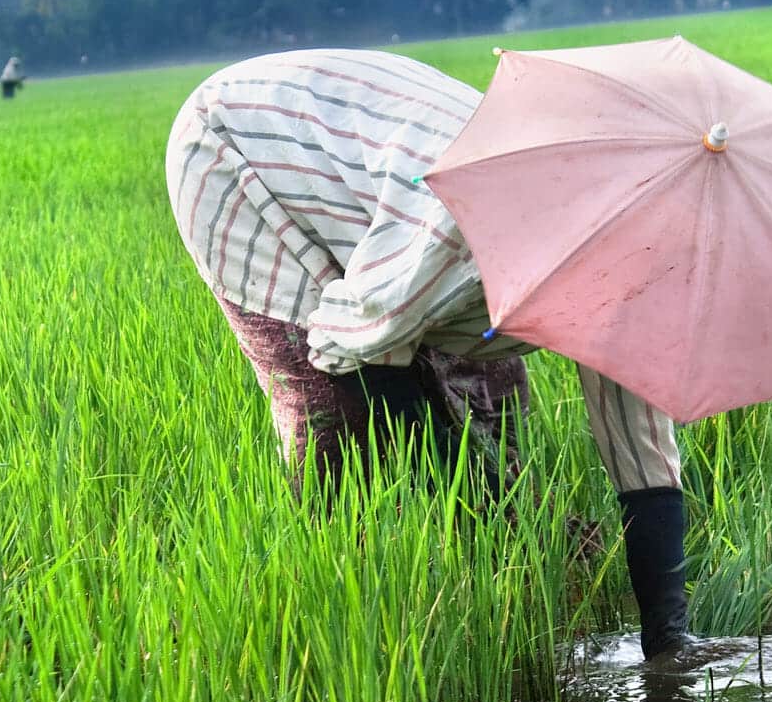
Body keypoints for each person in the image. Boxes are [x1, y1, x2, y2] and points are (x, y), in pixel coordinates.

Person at [165, 49, 692, 660]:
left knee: (490, 408)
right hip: (239, 151)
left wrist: (669, 638)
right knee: (341, 423)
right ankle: (333, 634)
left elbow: (643, 456)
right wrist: (485, 503)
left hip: (378, 172)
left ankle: (508, 584)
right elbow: (355, 342)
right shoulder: (469, 222)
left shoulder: (640, 271)